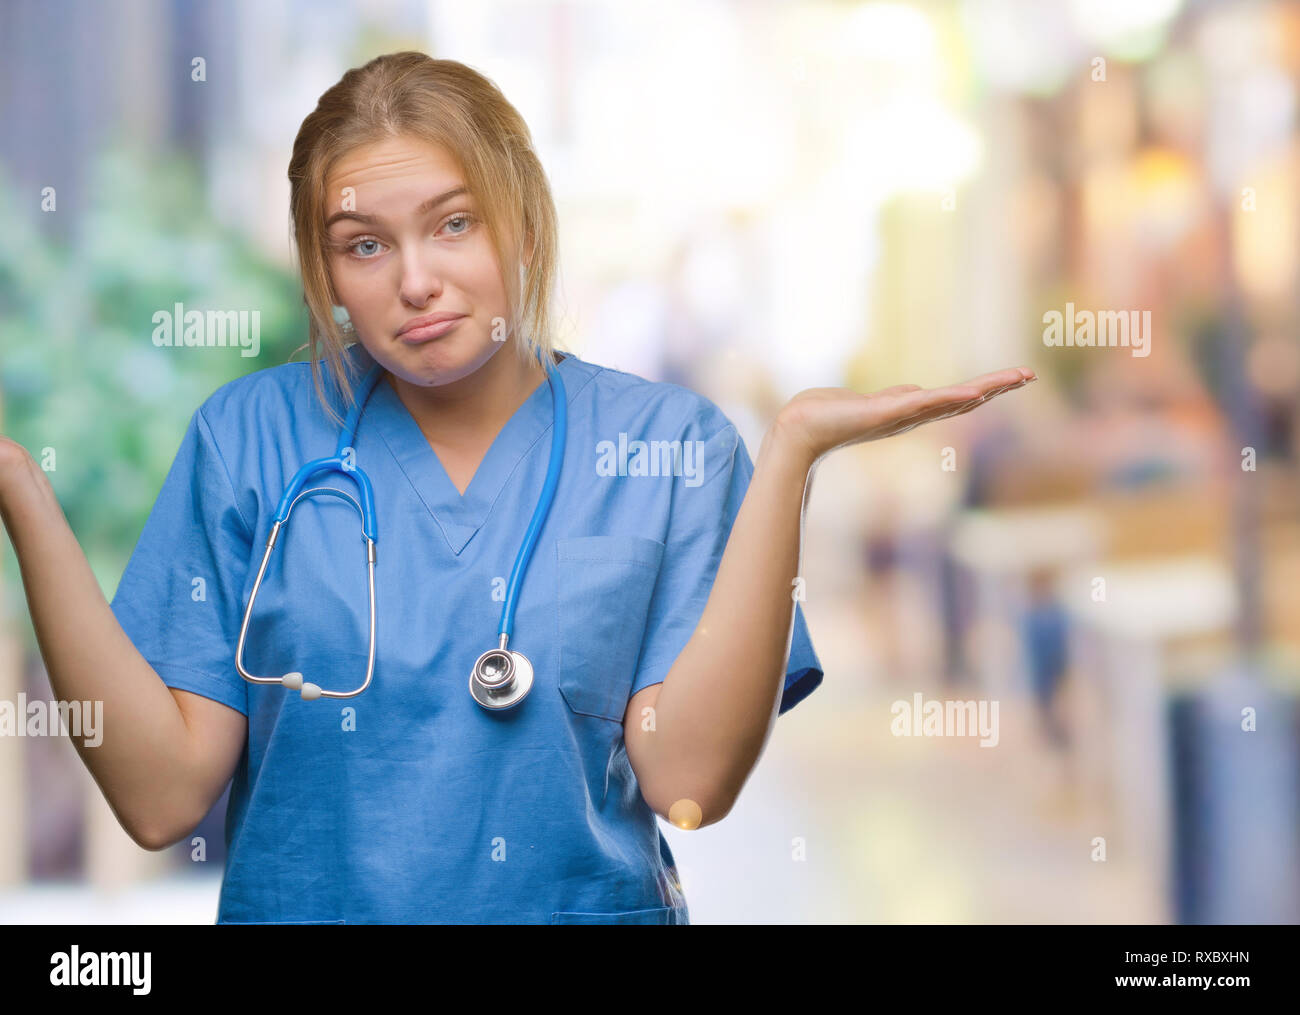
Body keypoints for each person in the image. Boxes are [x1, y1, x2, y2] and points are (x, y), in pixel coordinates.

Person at [0, 51, 1036, 924]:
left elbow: (689, 783)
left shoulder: (667, 445)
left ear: (525, 224)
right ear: (325, 275)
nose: (415, 279)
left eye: (454, 224)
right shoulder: (250, 439)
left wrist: (792, 455)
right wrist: (17, 488)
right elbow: (157, 795)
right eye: (365, 245)